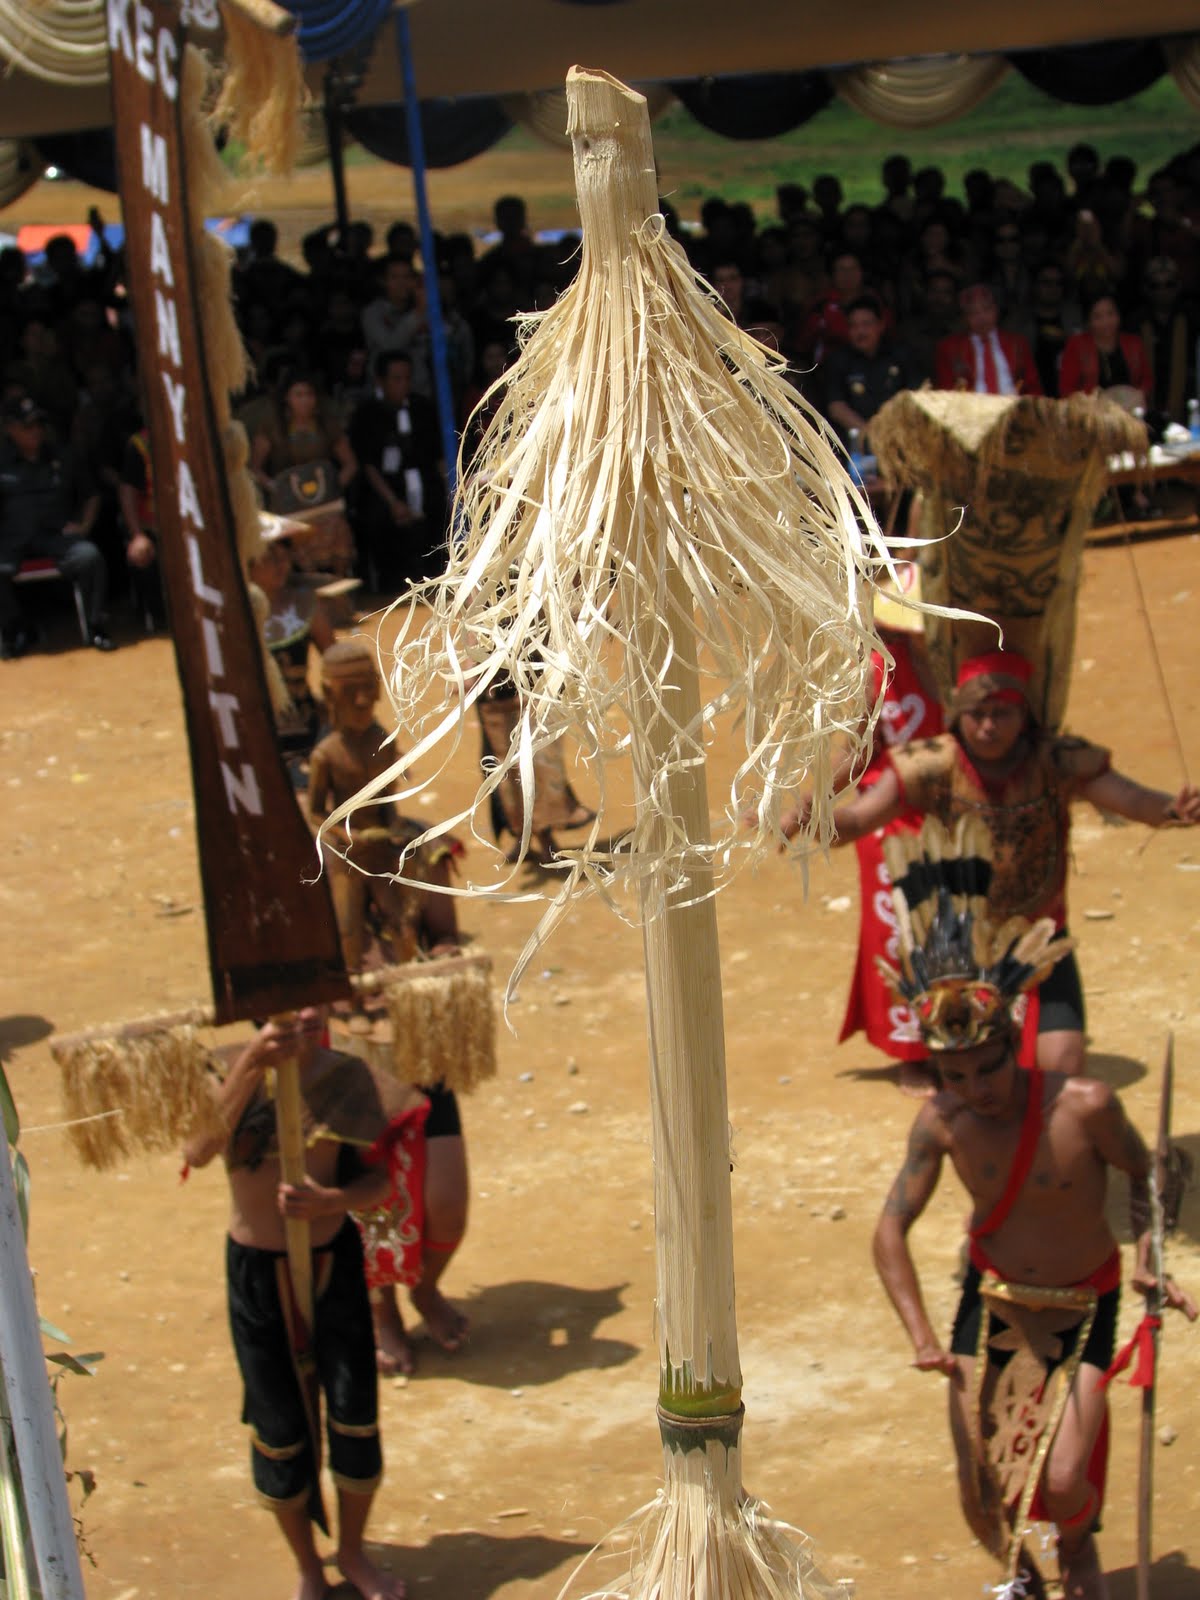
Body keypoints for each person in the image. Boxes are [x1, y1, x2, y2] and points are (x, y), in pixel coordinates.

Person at [870, 822, 1196, 1600]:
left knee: (1064, 1474)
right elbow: (889, 1230)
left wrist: (1150, 1260)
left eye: (987, 1068)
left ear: (1013, 1037)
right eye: (954, 1075)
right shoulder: (942, 1125)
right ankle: (1022, 1576)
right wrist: (922, 1335)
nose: (976, 1089)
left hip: (1086, 1304)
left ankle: (1077, 1552)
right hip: (992, 1302)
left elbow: (1151, 1174)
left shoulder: (1085, 1106)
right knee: (980, 1485)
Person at [793, 648, 1200, 1075]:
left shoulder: (1057, 761)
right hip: (961, 950)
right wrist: (810, 819)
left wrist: (1173, 810)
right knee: (977, 1072)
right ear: (958, 715)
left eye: (1001, 713)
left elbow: (1132, 800)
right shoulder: (930, 764)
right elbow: (858, 821)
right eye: (978, 714)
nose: (988, 726)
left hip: (1039, 940)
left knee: (1061, 1064)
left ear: (1023, 715)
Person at [181, 1009, 409, 1600]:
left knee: (355, 1416)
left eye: (314, 1003)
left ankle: (352, 1553)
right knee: (278, 1426)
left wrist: (331, 1199)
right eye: (291, 1005)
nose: (304, 1017)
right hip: (257, 1276)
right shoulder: (223, 1070)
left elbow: (378, 1182)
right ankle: (308, 1566)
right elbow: (198, 1148)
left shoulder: (349, 1078)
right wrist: (254, 1063)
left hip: (335, 1268)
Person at [307, 640, 471, 1377]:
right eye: (351, 692)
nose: (363, 702)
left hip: (420, 1047)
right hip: (358, 1055)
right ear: (330, 697)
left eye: (369, 688)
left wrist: (436, 960)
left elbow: (447, 936)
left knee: (446, 1198)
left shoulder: (421, 855)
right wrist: (345, 848)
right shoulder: (319, 867)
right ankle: (381, 1312)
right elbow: (317, 813)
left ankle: (425, 1286)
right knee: (371, 1193)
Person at [784, 568, 944, 1092]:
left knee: (957, 927)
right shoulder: (876, 671)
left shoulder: (957, 668)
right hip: (889, 822)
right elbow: (857, 751)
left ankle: (960, 1036)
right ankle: (911, 1050)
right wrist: (807, 807)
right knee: (899, 935)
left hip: (954, 819)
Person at [0, 393, 113, 656]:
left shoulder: (63, 455)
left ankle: (95, 627)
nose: (35, 431)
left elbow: (91, 495)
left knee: (89, 557)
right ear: (10, 429)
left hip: (56, 537)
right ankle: (16, 631)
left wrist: (84, 526)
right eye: (27, 426)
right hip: (13, 540)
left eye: (38, 424)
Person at [349, 351, 447, 593]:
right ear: (380, 381)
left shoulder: (422, 408)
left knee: (440, 515)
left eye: (407, 378)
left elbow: (437, 455)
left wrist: (450, 490)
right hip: (386, 489)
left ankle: (437, 583)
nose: (403, 384)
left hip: (425, 483)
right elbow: (368, 464)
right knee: (378, 521)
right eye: (396, 379)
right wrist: (393, 502)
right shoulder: (367, 413)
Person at [824, 294, 924, 446]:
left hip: (900, 438)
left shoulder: (901, 355)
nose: (860, 331)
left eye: (866, 324)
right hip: (857, 443)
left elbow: (917, 398)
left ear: (881, 325)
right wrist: (871, 434)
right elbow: (836, 407)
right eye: (854, 326)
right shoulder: (838, 360)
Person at [935, 284, 1043, 397]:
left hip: (1015, 405)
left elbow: (1033, 386)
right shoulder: (949, 348)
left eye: (987, 309)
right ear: (964, 318)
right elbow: (946, 391)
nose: (981, 317)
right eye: (973, 313)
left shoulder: (1017, 343)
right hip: (970, 406)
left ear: (996, 310)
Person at [1058, 295, 1151, 404]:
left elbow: (1147, 379)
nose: (1106, 322)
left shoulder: (1134, 343)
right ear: (1088, 322)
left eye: (1110, 314)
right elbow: (1067, 389)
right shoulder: (1077, 345)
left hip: (1129, 407)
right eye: (1098, 317)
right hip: (1090, 410)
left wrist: (1139, 394)